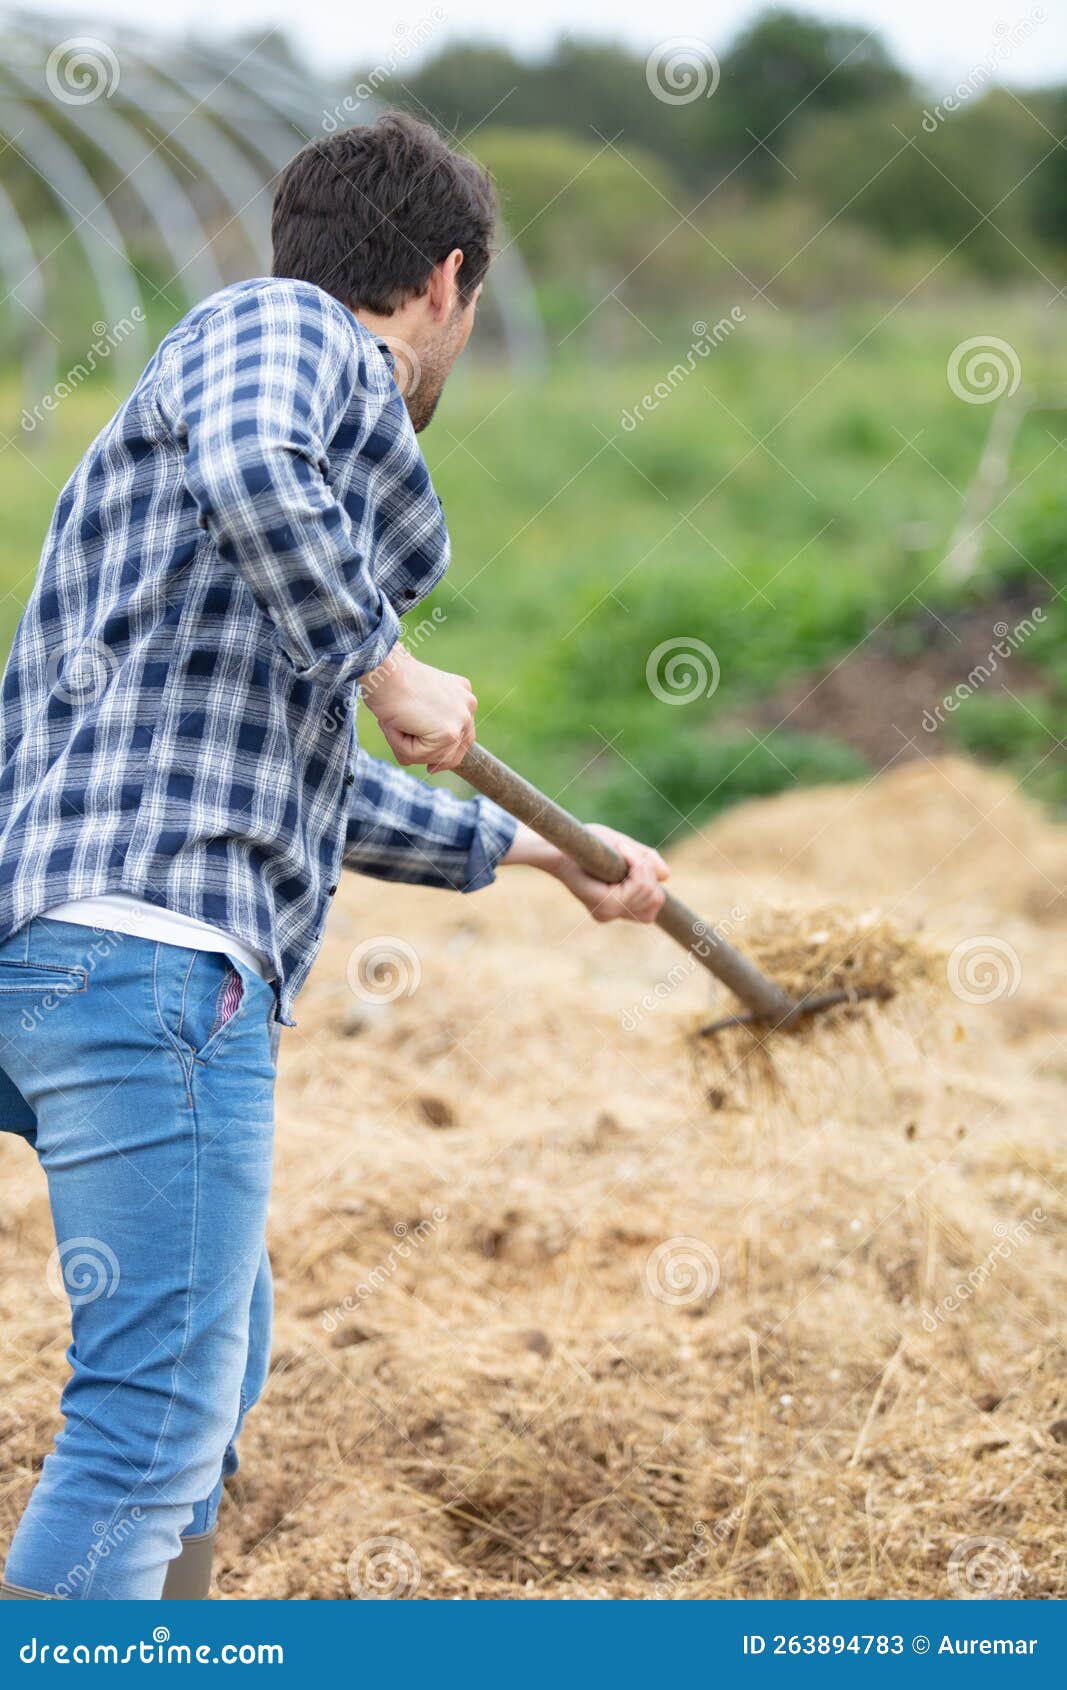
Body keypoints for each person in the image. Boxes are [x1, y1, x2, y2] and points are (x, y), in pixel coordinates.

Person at [0, 113, 668, 1600]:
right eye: (470, 317)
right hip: (152, 958)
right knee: (148, 1422)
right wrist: (382, 657)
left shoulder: (222, 538)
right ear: (445, 285)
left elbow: (303, 794)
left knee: (214, 1355)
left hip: (56, 942)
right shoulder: (288, 338)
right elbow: (258, 457)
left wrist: (551, 857)